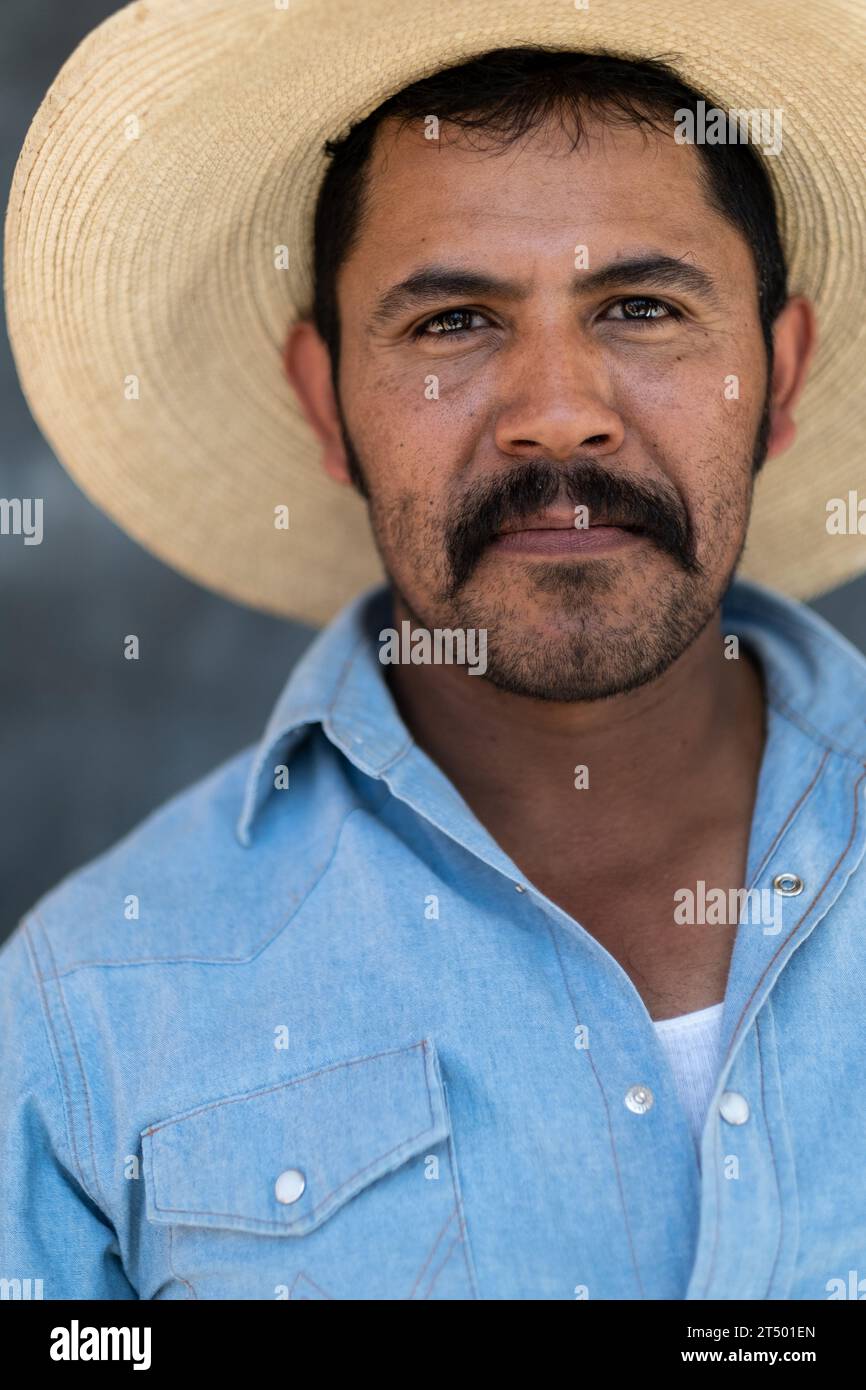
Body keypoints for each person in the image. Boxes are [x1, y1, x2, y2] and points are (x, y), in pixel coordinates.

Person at [2, 0, 865, 1301]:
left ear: (779, 375)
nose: (558, 417)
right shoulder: (88, 1003)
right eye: (452, 322)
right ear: (324, 400)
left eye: (638, 305)